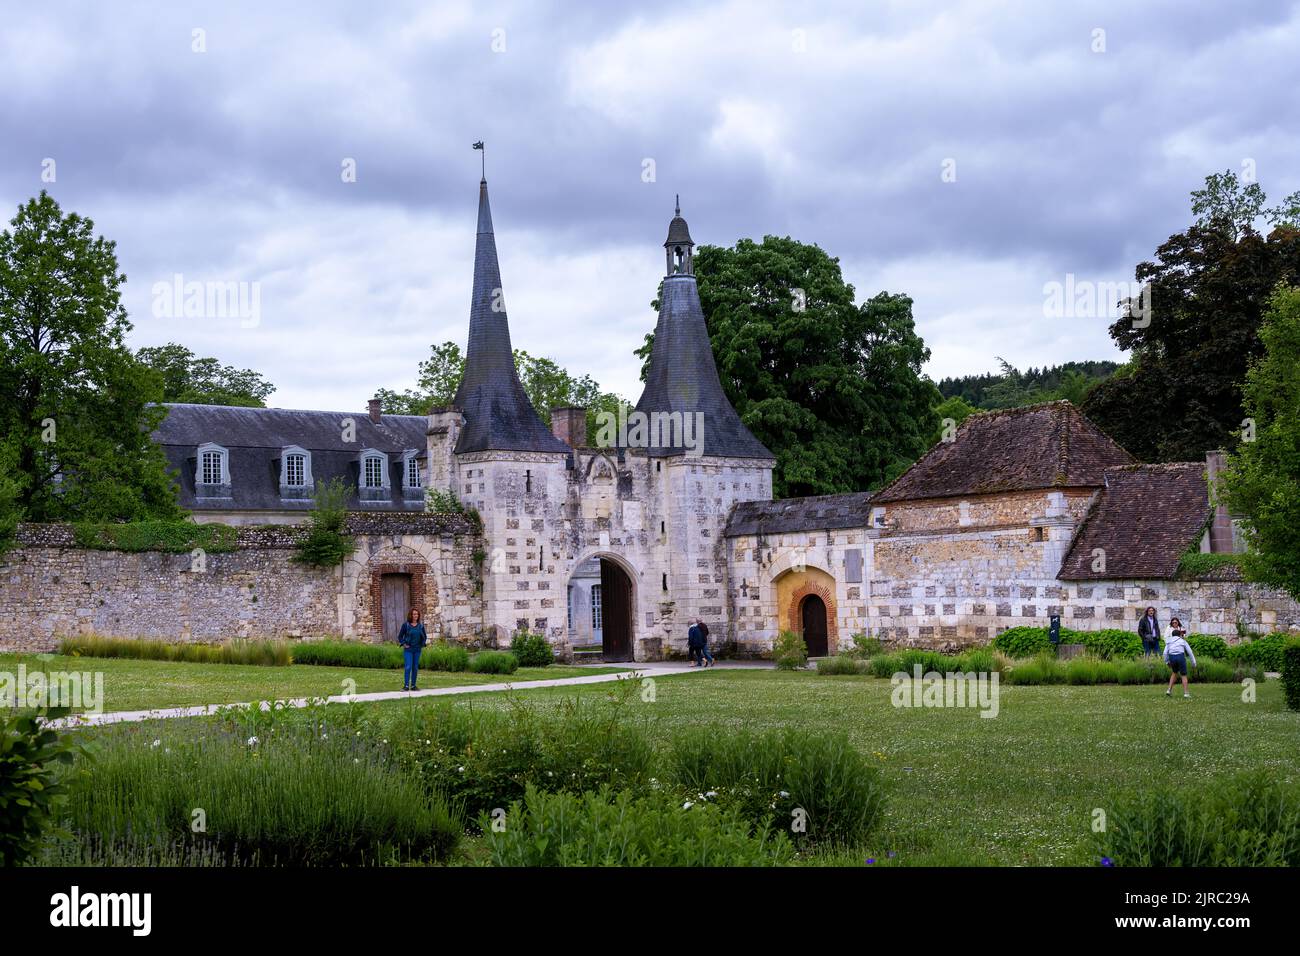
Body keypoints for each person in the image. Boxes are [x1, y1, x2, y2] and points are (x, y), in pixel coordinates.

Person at [1164, 617, 1197, 698]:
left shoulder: (1169, 642)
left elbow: (1165, 653)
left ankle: (1169, 690)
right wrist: (1194, 663)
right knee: (1183, 674)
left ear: (1172, 635)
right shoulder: (1183, 641)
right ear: (1180, 635)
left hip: (1172, 657)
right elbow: (1190, 652)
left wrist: (1167, 662)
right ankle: (1186, 693)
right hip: (1180, 656)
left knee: (1174, 672)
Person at [398, 607, 428, 691]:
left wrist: (422, 643)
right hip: (408, 649)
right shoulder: (406, 625)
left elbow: (424, 636)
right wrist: (403, 644)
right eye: (414, 614)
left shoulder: (421, 626)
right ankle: (406, 686)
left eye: (417, 614)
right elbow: (400, 636)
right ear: (410, 615)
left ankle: (413, 686)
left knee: (415, 667)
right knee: (408, 667)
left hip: (417, 649)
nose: (416, 616)